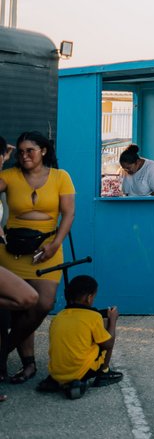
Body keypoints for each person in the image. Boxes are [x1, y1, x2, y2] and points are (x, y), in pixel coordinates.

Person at [0, 131, 76, 385]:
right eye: (20, 152)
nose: (24, 156)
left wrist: (55, 245)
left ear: (43, 150)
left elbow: (68, 214)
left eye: (29, 150)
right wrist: (3, 159)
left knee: (43, 304)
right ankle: (28, 364)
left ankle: (3, 350)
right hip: (13, 249)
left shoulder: (60, 177)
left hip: (47, 247)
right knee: (23, 306)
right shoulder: (9, 176)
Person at [39, 274, 122, 398]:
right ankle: (103, 373)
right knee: (105, 336)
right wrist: (113, 320)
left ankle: (56, 381)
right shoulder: (94, 317)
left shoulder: (58, 316)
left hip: (55, 372)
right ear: (89, 298)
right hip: (81, 371)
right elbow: (108, 344)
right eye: (94, 296)